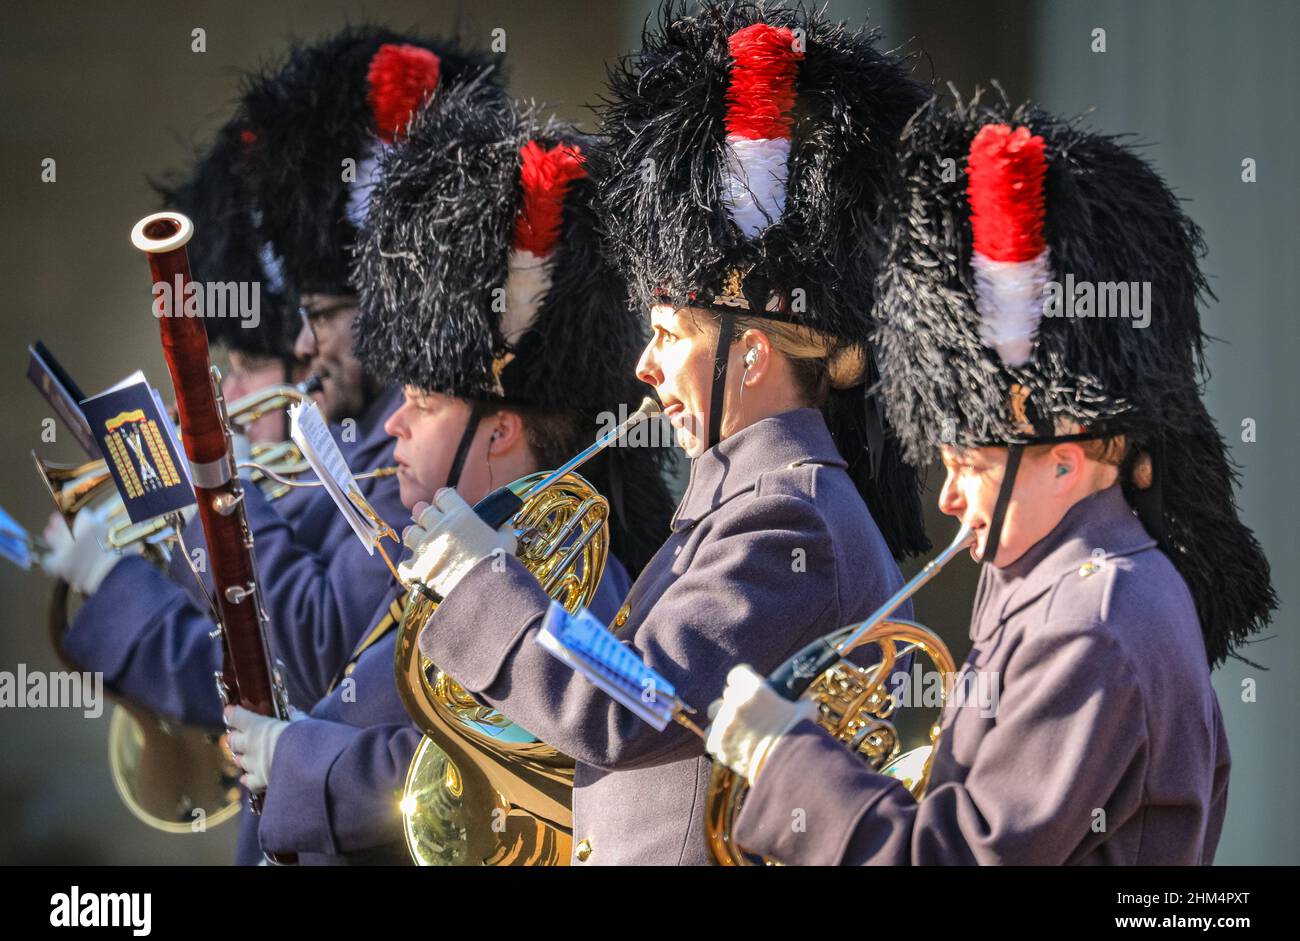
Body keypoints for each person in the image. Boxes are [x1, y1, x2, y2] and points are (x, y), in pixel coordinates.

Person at [395, 2, 929, 865]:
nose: (645, 366)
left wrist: (480, 583)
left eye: (671, 335)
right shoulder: (752, 506)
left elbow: (625, 706)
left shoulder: (787, 522)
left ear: (751, 357)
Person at [706, 95, 1276, 865]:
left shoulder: (1090, 621)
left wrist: (787, 761)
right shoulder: (1064, 585)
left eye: (969, 466)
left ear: (1068, 460)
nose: (946, 499)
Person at [41, 26, 492, 864]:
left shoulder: (409, 454)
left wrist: (183, 507)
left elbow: (313, 656)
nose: (307, 346)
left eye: (321, 317)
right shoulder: (364, 435)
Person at [224, 81, 676, 864]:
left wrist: (295, 760)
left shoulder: (561, 576)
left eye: (425, 404)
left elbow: (482, 778)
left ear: (499, 429)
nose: (392, 424)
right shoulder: (451, 553)